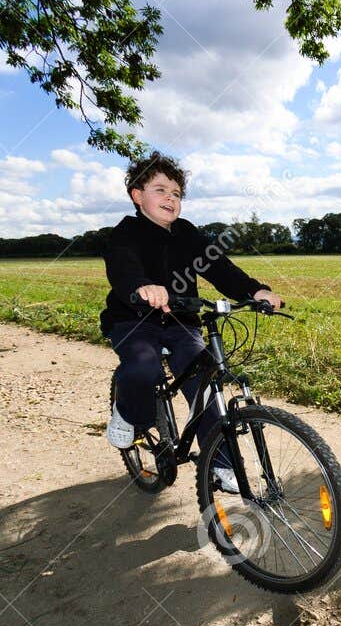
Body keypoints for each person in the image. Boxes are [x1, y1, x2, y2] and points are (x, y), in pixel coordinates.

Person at [100, 152, 284, 493]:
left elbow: (220, 268)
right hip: (134, 320)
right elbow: (123, 268)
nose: (171, 198)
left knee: (204, 381)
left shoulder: (187, 234)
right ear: (137, 196)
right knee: (143, 366)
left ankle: (222, 463)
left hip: (182, 322)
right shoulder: (125, 233)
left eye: (177, 193)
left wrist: (256, 290)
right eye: (160, 190)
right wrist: (142, 288)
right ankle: (128, 414)